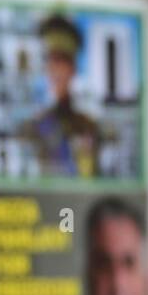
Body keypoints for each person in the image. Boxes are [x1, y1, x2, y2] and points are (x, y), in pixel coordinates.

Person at [19, 12, 102, 178]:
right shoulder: (31, 128)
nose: (56, 71)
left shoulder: (89, 127)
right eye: (52, 62)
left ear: (73, 69)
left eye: (62, 62)